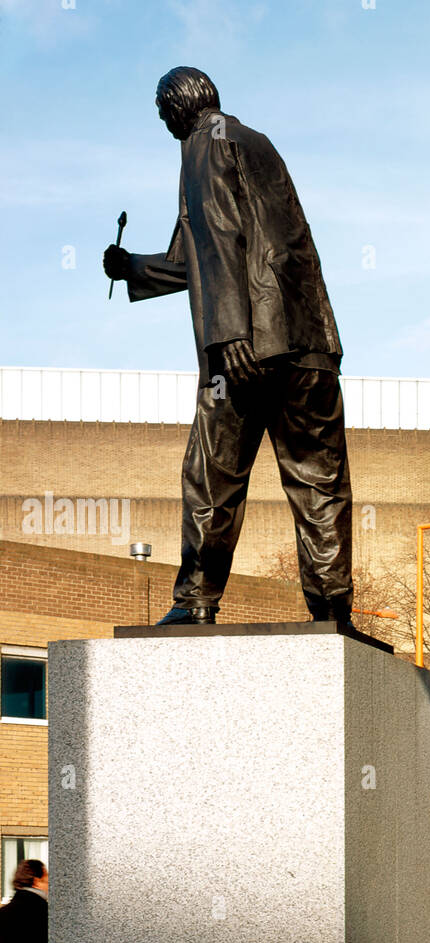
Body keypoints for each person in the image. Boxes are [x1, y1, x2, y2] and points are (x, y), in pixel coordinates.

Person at [103, 66, 353, 629]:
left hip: (244, 347)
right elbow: (205, 255)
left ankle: (195, 600)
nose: (161, 119)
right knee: (319, 478)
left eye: (161, 108)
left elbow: (218, 235)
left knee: (211, 476)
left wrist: (229, 332)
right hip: (309, 343)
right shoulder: (257, 143)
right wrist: (132, 268)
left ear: (178, 104)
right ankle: (333, 610)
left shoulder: (200, 142)